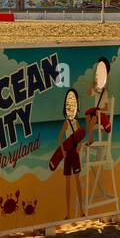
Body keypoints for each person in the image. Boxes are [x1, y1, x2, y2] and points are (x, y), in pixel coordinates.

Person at [49, 88, 86, 219]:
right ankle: (68, 213)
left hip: (75, 153)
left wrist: (79, 147)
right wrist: (63, 151)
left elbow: (81, 137)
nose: (71, 108)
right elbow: (60, 137)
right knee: (68, 184)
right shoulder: (66, 123)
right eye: (68, 105)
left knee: (77, 182)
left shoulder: (77, 123)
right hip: (68, 154)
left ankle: (82, 211)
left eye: (74, 105)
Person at [84, 57, 112, 147]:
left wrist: (99, 110)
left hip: (102, 115)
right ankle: (90, 136)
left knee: (93, 118)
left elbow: (107, 108)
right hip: (97, 113)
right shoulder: (97, 89)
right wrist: (92, 86)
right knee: (88, 116)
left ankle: (90, 138)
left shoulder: (104, 92)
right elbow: (88, 93)